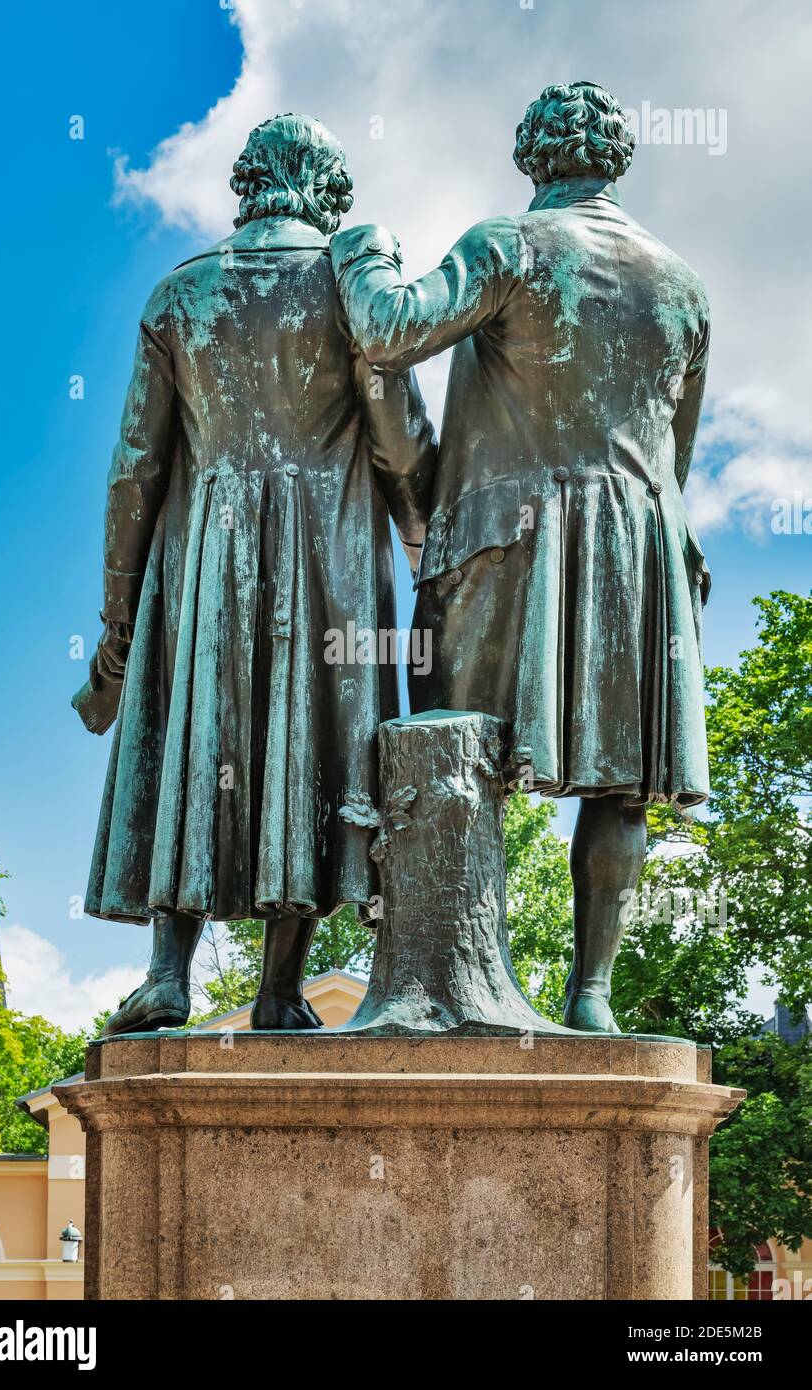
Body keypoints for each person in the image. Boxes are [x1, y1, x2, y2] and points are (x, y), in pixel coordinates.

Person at [331, 82, 711, 1033]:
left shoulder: (507, 244)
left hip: (508, 542)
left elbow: (388, 330)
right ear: (616, 158)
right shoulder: (684, 286)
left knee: (461, 761)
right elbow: (677, 452)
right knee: (622, 783)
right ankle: (590, 996)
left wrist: (362, 251)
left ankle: (457, 991)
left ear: (532, 156)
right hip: (638, 548)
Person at [73, 113, 436, 1034]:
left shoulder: (180, 293)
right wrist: (430, 545)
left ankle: (168, 974)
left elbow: (135, 470)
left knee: (198, 737)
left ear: (248, 182)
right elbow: (401, 447)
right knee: (320, 747)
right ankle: (280, 991)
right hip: (337, 559)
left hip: (208, 557)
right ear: (328, 187)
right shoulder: (357, 289)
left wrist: (120, 615)